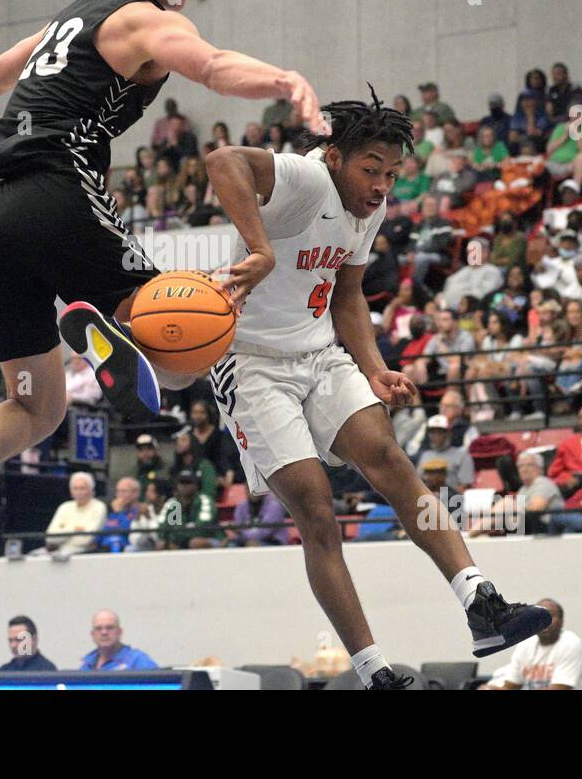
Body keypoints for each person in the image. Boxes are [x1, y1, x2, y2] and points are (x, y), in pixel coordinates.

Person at [0, 0, 328, 607]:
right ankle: (103, 326)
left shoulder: (72, 18)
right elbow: (214, 67)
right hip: (55, 190)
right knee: (188, 357)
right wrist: (283, 80)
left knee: (37, 408)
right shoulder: (144, 18)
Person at [198, 90, 548, 689]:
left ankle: (481, 602)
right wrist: (260, 248)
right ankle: (374, 671)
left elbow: (349, 295)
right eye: (370, 169)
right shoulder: (306, 178)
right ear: (335, 157)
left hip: (319, 353)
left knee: (387, 455)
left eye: (391, 173)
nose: (382, 184)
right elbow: (221, 160)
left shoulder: (369, 210)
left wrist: (376, 367)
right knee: (315, 508)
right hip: (251, 362)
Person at [480, 600, 582, 690]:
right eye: (539, 616)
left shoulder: (570, 643)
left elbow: (559, 688)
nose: (545, 620)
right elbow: (510, 686)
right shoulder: (525, 644)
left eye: (551, 615)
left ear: (562, 622)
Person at [43, 471, 107, 555]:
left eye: (82, 488)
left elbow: (85, 540)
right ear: (71, 491)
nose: (78, 492)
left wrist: (62, 535)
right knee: (32, 556)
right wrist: (74, 529)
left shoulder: (99, 507)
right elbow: (49, 538)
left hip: (82, 554)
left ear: (91, 490)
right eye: (75, 488)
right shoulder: (64, 507)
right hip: (55, 551)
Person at [156, 469, 219, 549]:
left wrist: (178, 532)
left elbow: (202, 528)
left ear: (196, 485)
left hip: (209, 539)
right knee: (162, 545)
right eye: (181, 483)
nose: (184, 486)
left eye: (188, 482)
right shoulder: (173, 504)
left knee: (195, 543)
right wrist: (181, 534)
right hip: (180, 542)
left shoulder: (205, 500)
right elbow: (162, 529)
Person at [79, 610, 158, 671]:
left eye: (109, 627)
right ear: (93, 634)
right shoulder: (87, 665)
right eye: (98, 628)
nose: (104, 632)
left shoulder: (137, 660)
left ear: (119, 632)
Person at [412, 415, 474, 490]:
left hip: (451, 497)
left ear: (449, 433)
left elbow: (465, 486)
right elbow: (418, 482)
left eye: (440, 432)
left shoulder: (462, 455)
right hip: (426, 496)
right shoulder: (425, 455)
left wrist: (446, 496)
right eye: (432, 432)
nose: (436, 436)